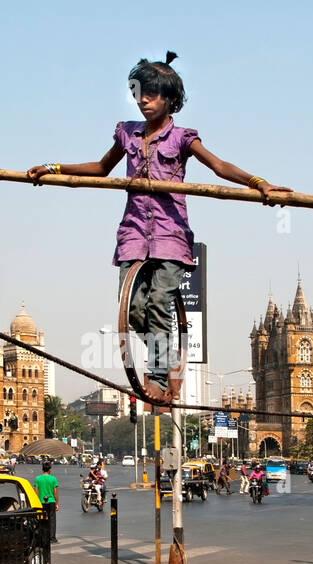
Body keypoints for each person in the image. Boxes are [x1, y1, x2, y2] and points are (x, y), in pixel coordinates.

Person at [28, 53, 289, 405]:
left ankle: (160, 374)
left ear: (170, 100)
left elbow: (219, 166)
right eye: (139, 94)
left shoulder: (182, 138)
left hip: (170, 235)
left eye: (152, 95)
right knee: (134, 309)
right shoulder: (127, 134)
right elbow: (101, 168)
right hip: (133, 234)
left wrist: (259, 183)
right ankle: (168, 365)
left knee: (158, 303)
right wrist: (53, 167)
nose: (144, 101)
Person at [35, 458, 60, 542]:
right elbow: (55, 492)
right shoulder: (53, 479)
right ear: (49, 469)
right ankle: (52, 537)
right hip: (51, 501)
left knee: (41, 519)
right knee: (52, 520)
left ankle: (42, 537)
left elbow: (36, 492)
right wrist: (57, 503)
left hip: (41, 502)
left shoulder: (38, 479)